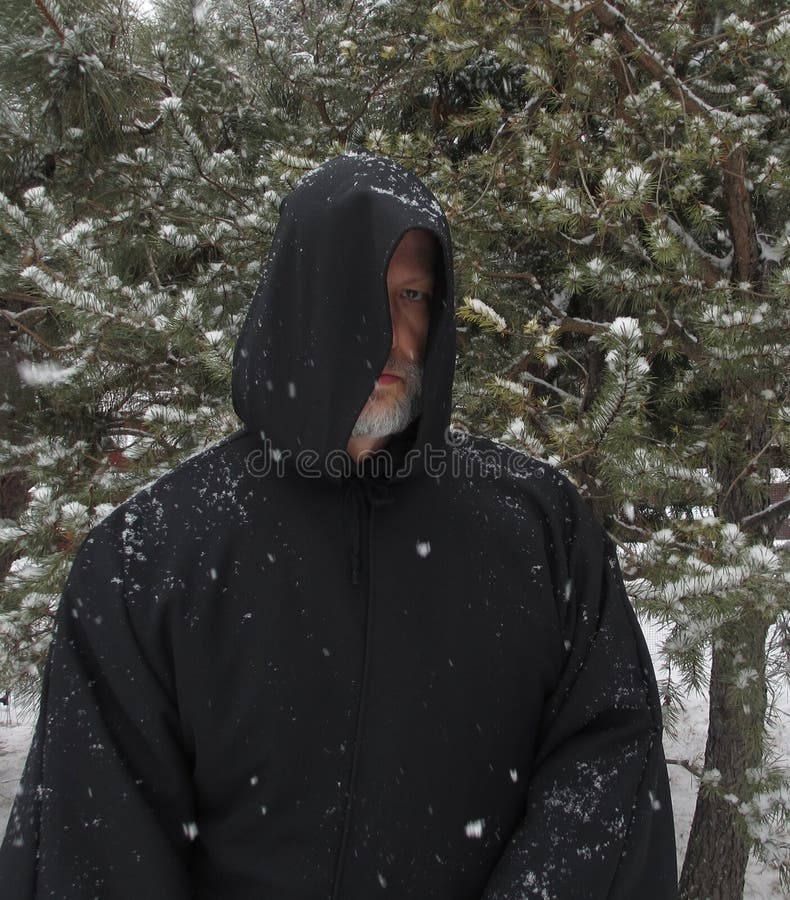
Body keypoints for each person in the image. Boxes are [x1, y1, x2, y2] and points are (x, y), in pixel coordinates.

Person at [0, 153, 678, 898]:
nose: (391, 333)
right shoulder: (153, 555)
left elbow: (607, 761)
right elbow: (92, 839)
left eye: (413, 294)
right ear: (299, 301)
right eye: (358, 294)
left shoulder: (538, 531)